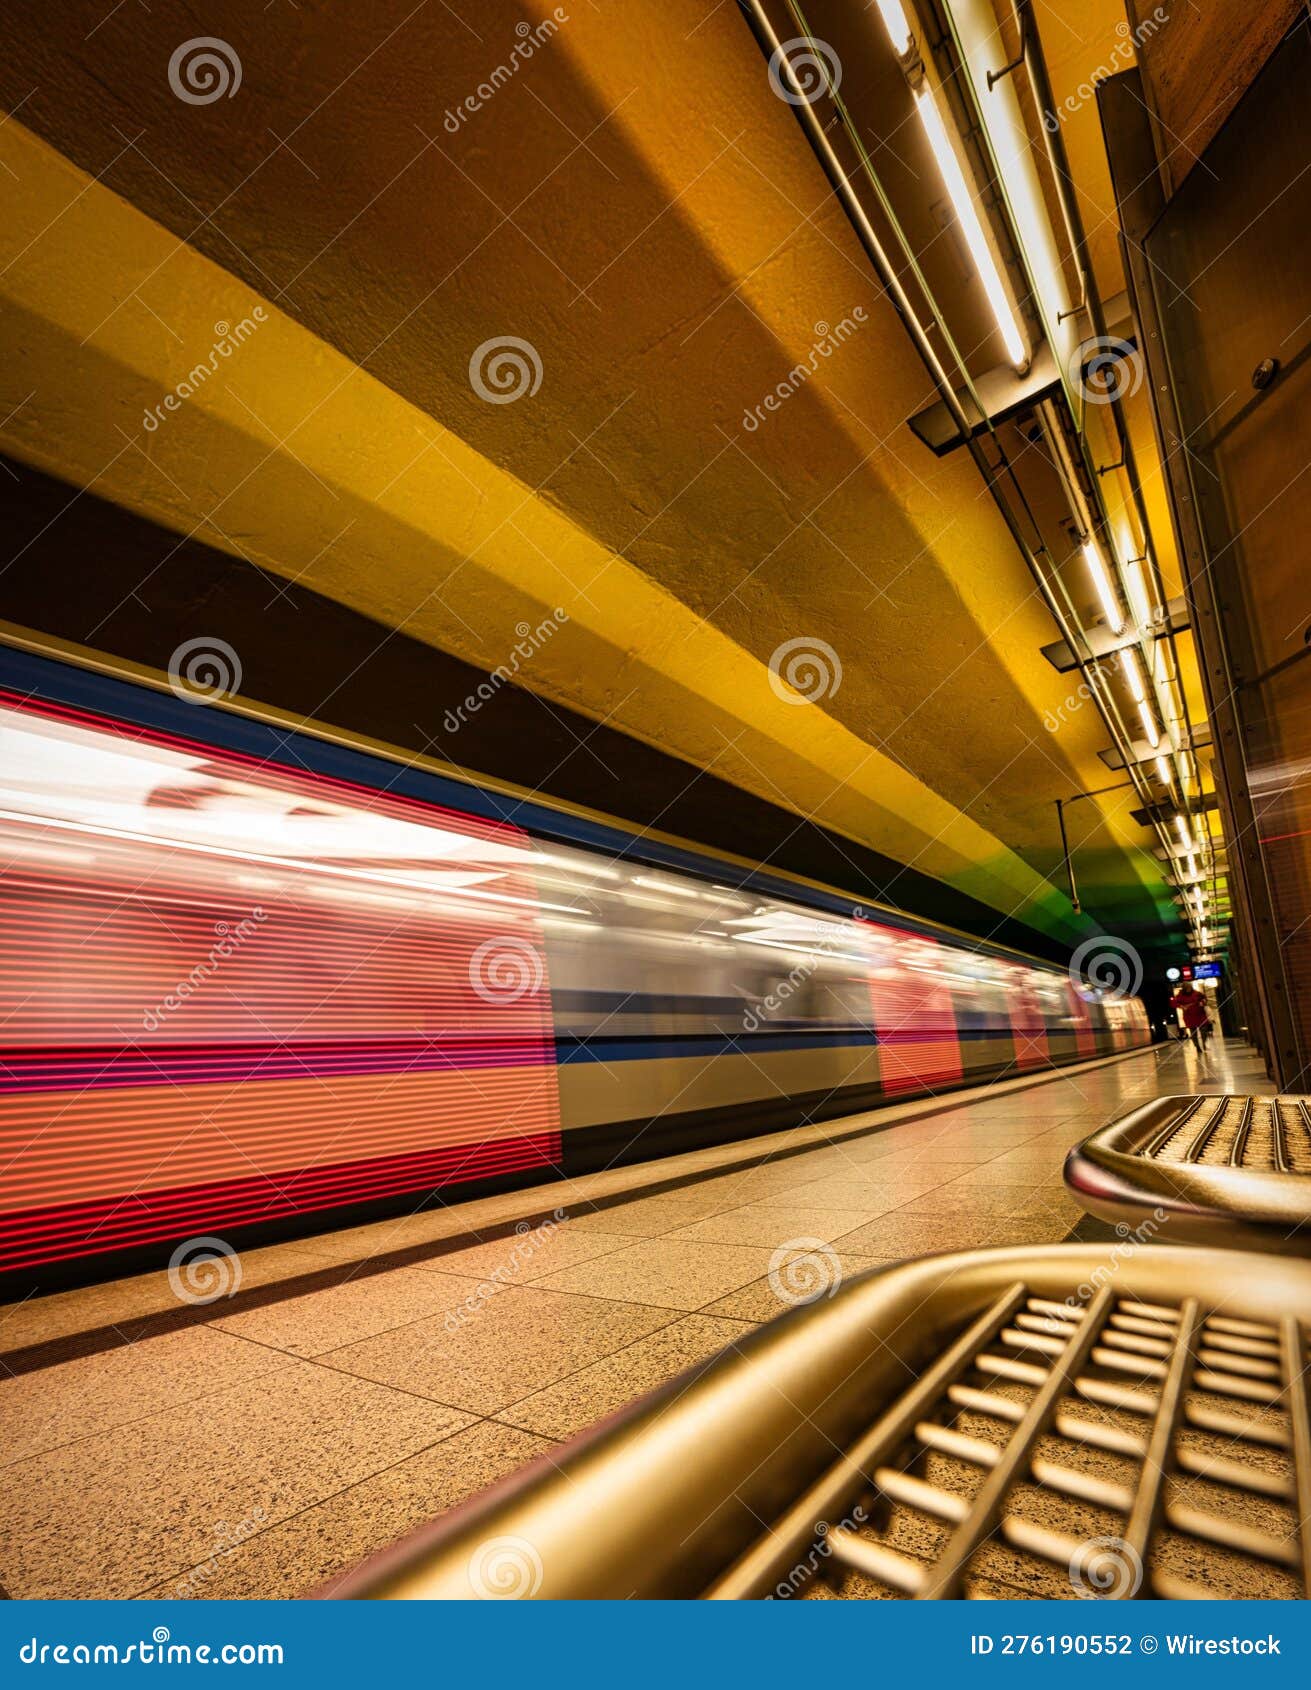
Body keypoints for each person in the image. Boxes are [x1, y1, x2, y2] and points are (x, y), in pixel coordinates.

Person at [1169, 981, 1213, 1052]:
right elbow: (1173, 1003)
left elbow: (1204, 998)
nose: (1189, 989)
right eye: (1187, 988)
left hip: (1200, 1015)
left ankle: (1204, 1044)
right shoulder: (1180, 996)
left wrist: (1202, 1002)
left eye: (1190, 987)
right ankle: (1197, 1046)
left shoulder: (1197, 993)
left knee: (1204, 1031)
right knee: (1193, 1034)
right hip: (1189, 1017)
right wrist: (1181, 1006)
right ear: (1184, 988)